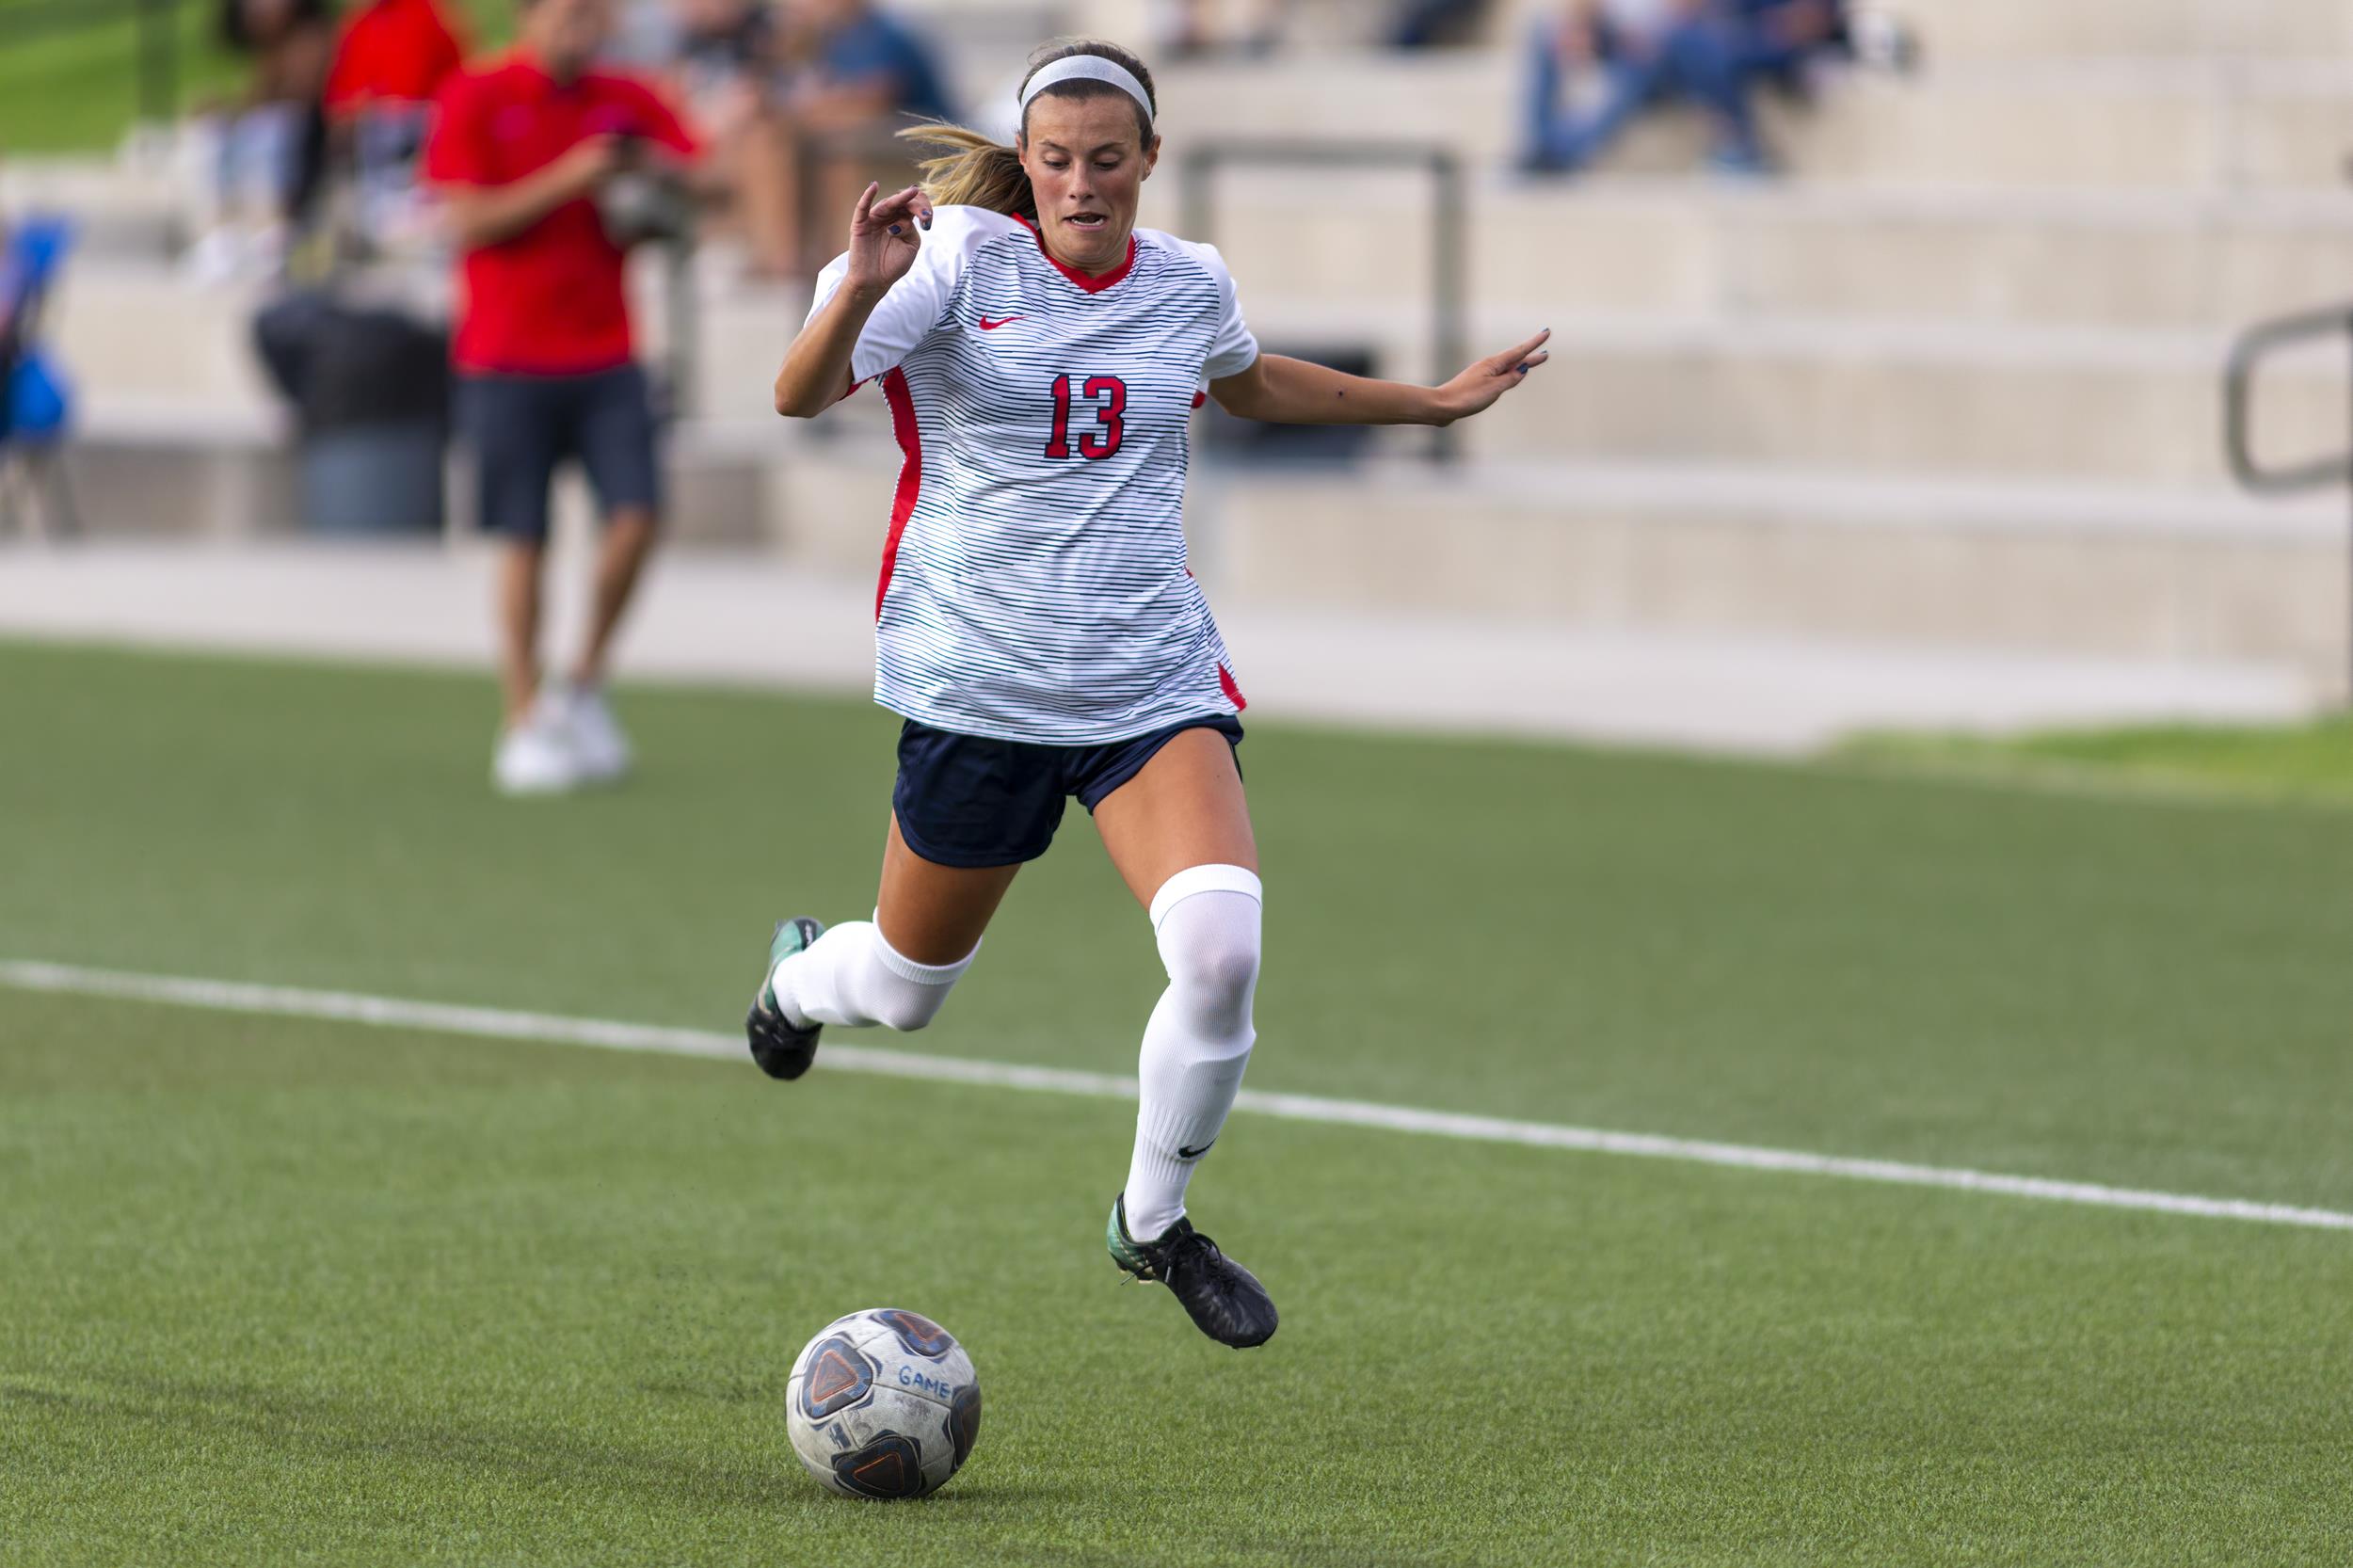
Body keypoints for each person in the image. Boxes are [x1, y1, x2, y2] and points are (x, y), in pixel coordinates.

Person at [748, 40, 1549, 1349]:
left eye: (1107, 162)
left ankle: (1154, 1218)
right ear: (1029, 160)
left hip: (1146, 681)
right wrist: (860, 292)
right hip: (979, 682)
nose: (1080, 185)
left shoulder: (1187, 281)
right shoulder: (945, 255)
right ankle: (796, 983)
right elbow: (795, 392)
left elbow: (1249, 381)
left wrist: (1428, 407)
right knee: (903, 987)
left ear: (1149, 162)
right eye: (1056, 161)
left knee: (1223, 949)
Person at [424, 0, 711, 795]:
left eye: (594, 16)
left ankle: (577, 686)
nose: (583, 31)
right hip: (505, 355)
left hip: (607, 349)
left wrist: (649, 180)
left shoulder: (622, 95)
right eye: (570, 15)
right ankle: (522, 720)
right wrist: (570, 178)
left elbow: (698, 167)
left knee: (639, 514)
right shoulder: (476, 94)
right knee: (524, 538)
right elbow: (464, 217)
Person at [1522, 0, 1771, 176]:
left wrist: (1648, 34)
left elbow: (1690, 12)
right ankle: (1540, 143)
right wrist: (1577, 26)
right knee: (1546, 28)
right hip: (1618, 39)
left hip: (1667, 51)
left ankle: (1564, 151)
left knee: (1641, 60)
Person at [186, 0, 334, 280]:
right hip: (268, 138)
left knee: (268, 133)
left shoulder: (311, 39)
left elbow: (298, 99)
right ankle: (220, 241)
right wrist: (225, 112)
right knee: (210, 136)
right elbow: (255, 102)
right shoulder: (269, 49)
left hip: (304, 144)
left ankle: (268, 239)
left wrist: (247, 112)